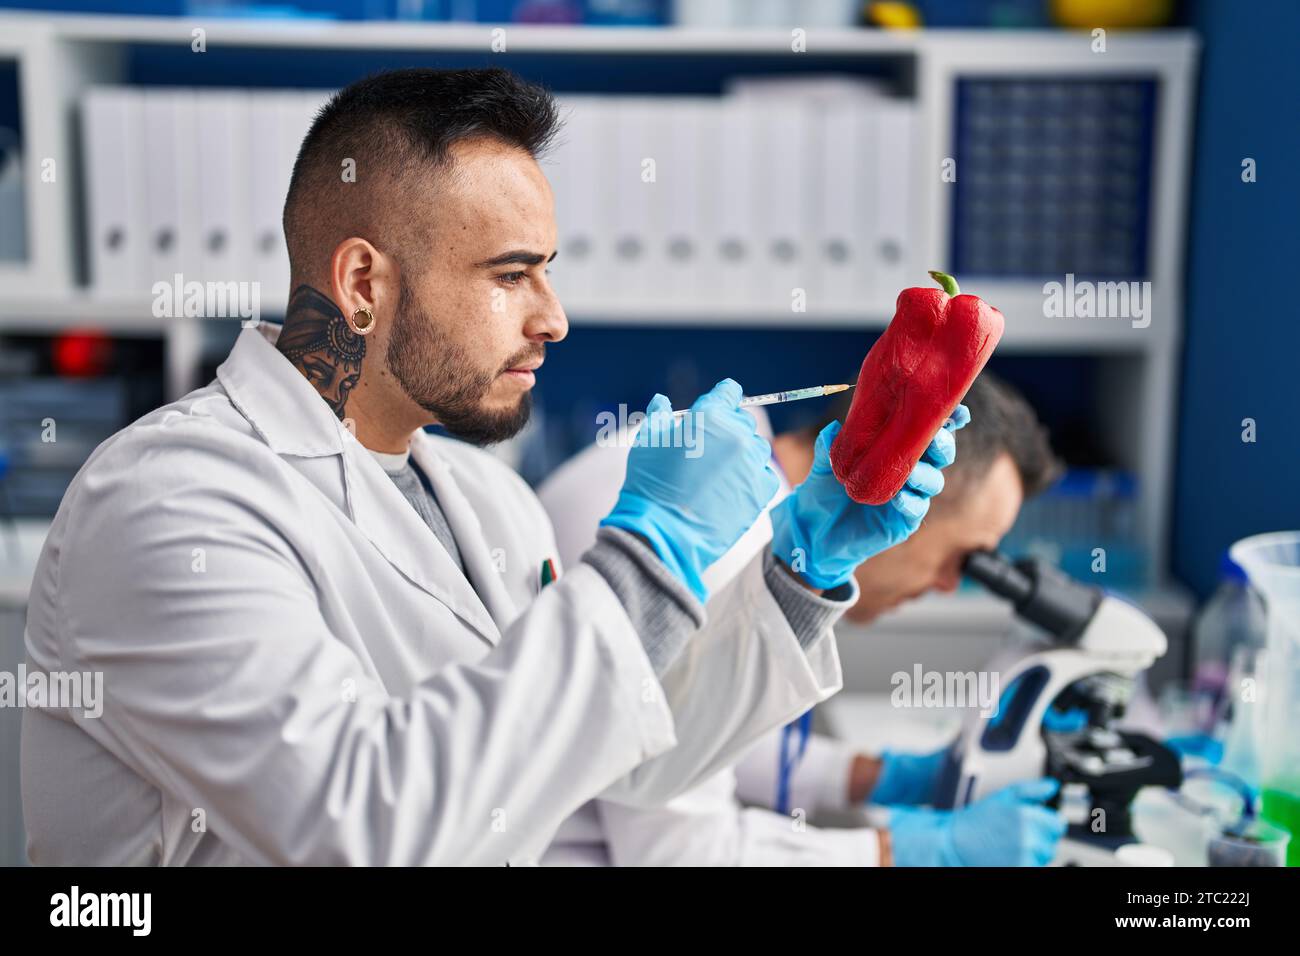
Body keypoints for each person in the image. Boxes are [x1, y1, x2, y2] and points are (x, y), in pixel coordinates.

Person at [20, 68, 961, 866]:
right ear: (361, 285)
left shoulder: (483, 497)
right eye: (511, 276)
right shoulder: (168, 502)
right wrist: (650, 555)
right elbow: (355, 827)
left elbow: (614, 767)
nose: (553, 318)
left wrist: (799, 573)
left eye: (547, 271)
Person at [538, 372, 1068, 866]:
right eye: (964, 557)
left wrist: (880, 778)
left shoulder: (723, 471)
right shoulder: (710, 527)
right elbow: (681, 850)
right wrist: (912, 851)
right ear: (906, 479)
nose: (950, 588)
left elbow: (693, 726)